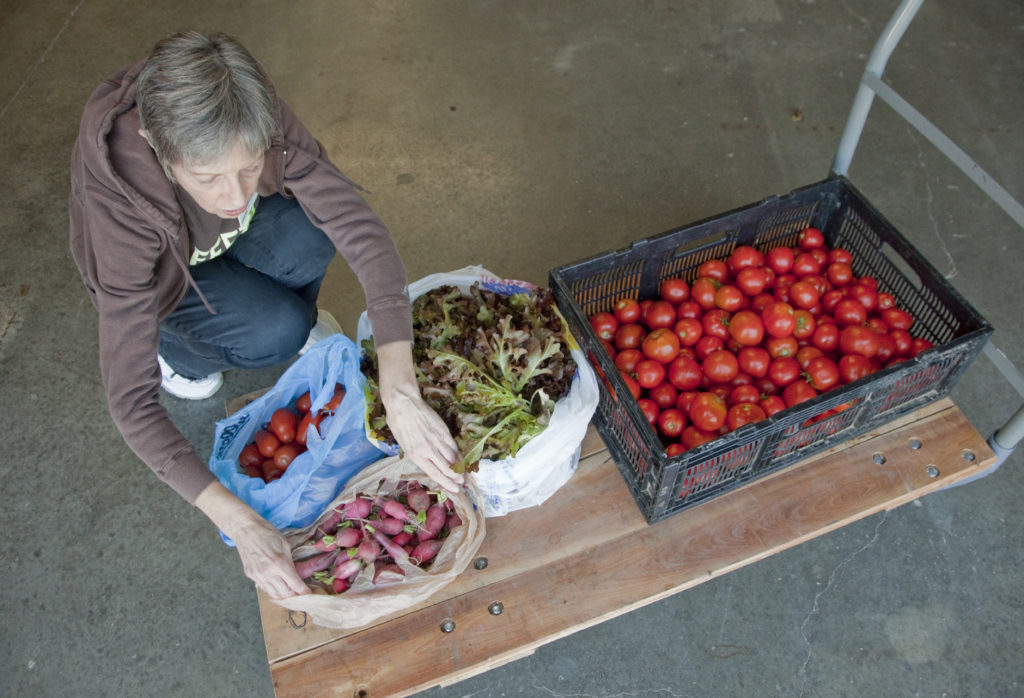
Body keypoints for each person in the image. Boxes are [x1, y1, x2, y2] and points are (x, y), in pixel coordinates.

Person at [68, 31, 463, 599]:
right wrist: (242, 523)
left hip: (212, 241)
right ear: (158, 144)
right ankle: (180, 352)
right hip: (164, 279)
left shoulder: (244, 103)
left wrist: (401, 388)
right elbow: (129, 403)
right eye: (208, 177)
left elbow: (360, 228)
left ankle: (280, 319)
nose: (233, 195)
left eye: (250, 167)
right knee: (273, 332)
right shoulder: (122, 214)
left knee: (312, 239)